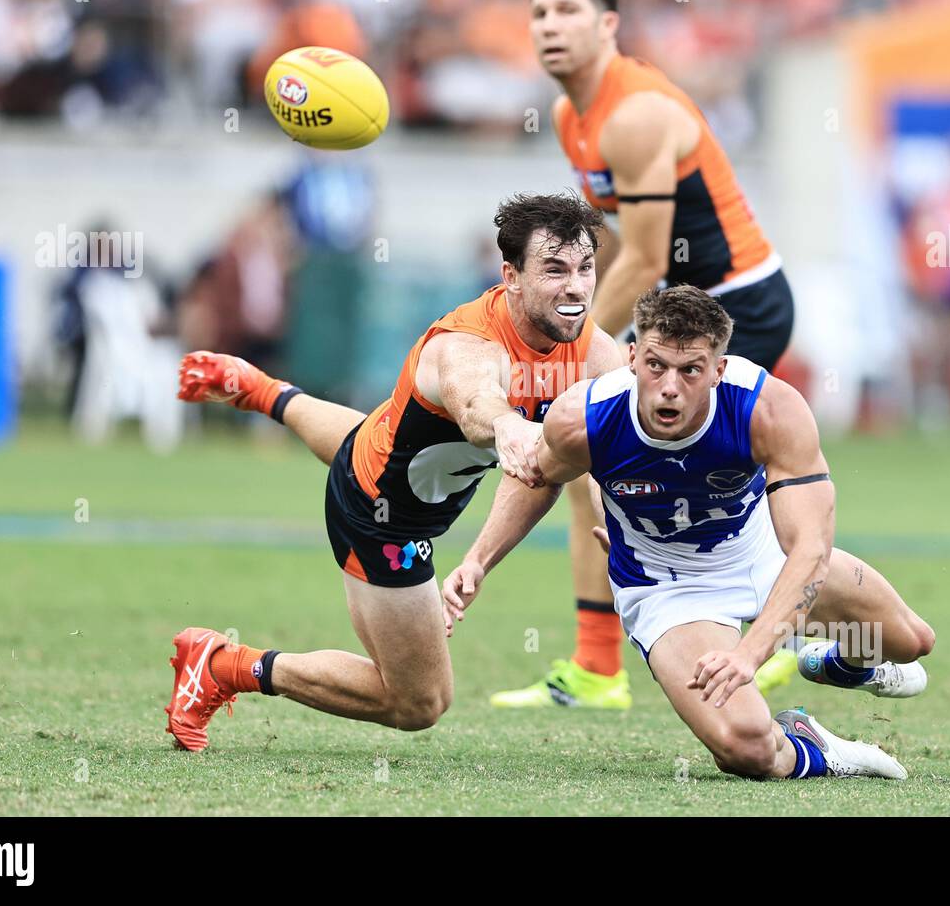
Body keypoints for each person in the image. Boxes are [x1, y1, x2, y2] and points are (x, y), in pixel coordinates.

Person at [163, 192, 622, 751]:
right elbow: (479, 406)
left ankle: (266, 392)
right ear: (512, 277)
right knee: (419, 703)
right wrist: (512, 429)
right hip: (382, 522)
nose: (575, 287)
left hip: (385, 452)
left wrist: (481, 561)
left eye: (585, 268)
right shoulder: (465, 346)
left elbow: (581, 466)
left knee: (372, 439)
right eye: (554, 269)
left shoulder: (594, 352)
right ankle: (223, 664)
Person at [444, 286, 935, 779]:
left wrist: (751, 653)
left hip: (761, 552)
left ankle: (836, 665)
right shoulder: (584, 416)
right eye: (656, 365)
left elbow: (809, 549)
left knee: (911, 642)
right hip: (668, 589)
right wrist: (477, 561)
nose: (670, 387)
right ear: (632, 358)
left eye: (691, 370)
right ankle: (811, 744)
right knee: (748, 751)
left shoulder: (768, 409)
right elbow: (540, 475)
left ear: (718, 371)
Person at [492, 0, 796, 709]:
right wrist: (575, 319)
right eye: (539, 14)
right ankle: (598, 667)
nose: (550, 26)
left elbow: (652, 257)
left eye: (568, 11)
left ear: (607, 25)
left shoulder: (633, 116)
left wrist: (564, 334)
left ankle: (776, 634)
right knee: (587, 456)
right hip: (671, 310)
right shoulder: (572, 116)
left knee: (714, 475)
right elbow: (626, 250)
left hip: (735, 307)